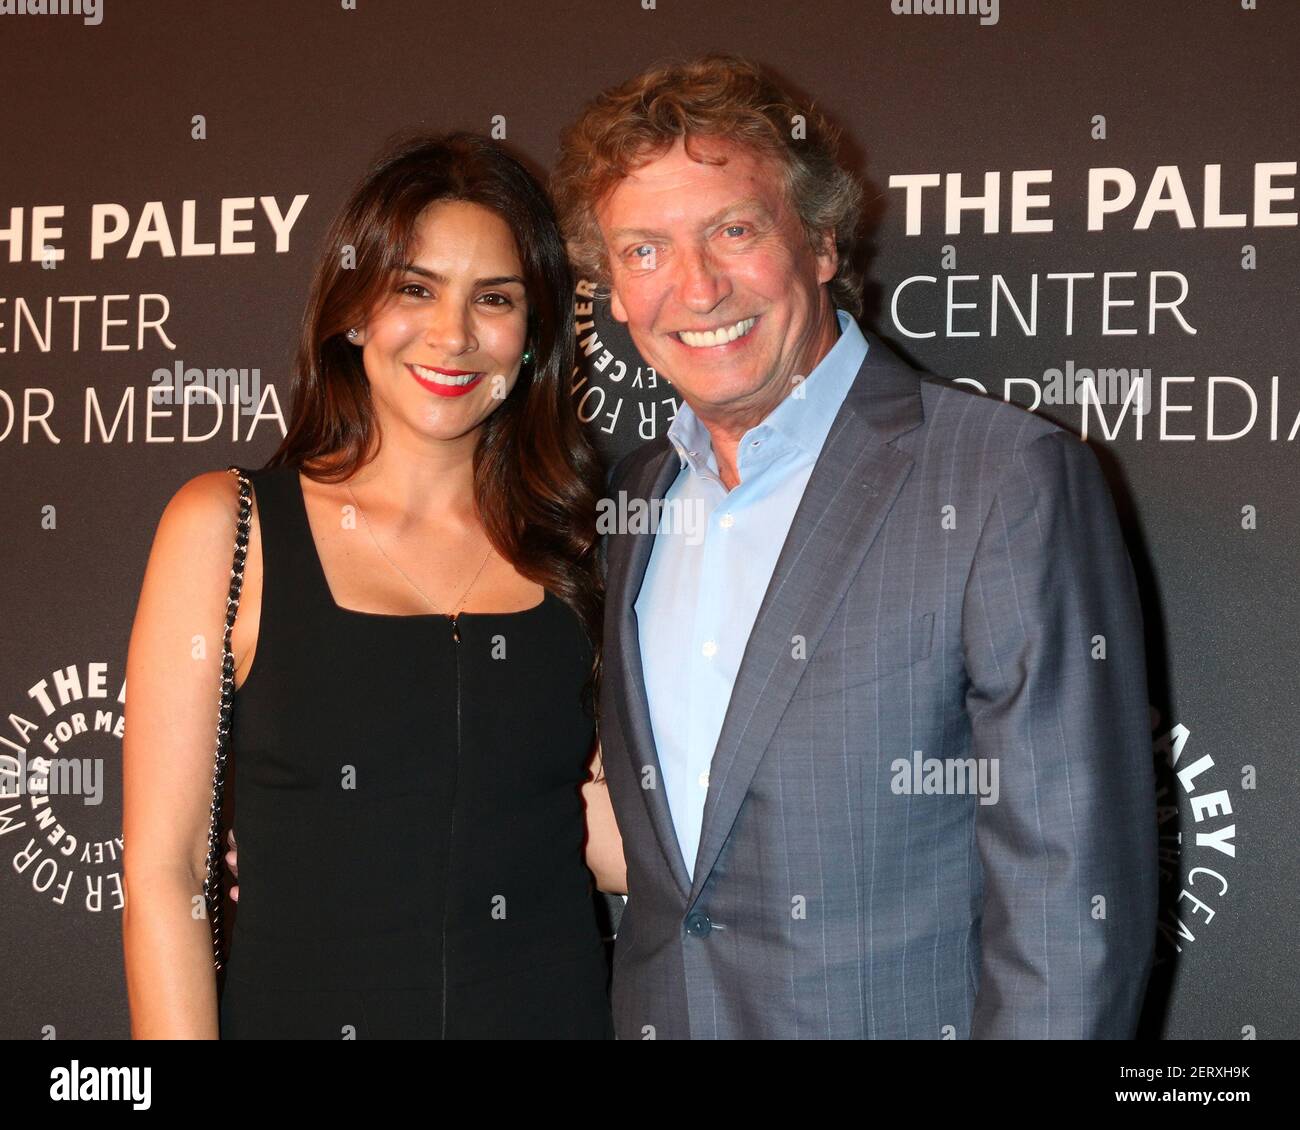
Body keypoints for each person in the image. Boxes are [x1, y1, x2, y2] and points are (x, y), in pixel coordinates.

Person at [546, 54, 1159, 1039]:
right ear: (612, 291)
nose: (695, 288)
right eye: (644, 250)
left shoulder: (1000, 479)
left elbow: (1069, 898)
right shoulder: (635, 500)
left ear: (822, 242)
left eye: (733, 230)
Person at [121, 132, 625, 1039]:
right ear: (355, 311)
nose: (454, 335)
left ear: (536, 332)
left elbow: (591, 828)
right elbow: (165, 871)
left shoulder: (584, 545)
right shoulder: (227, 528)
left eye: (496, 299)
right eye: (416, 288)